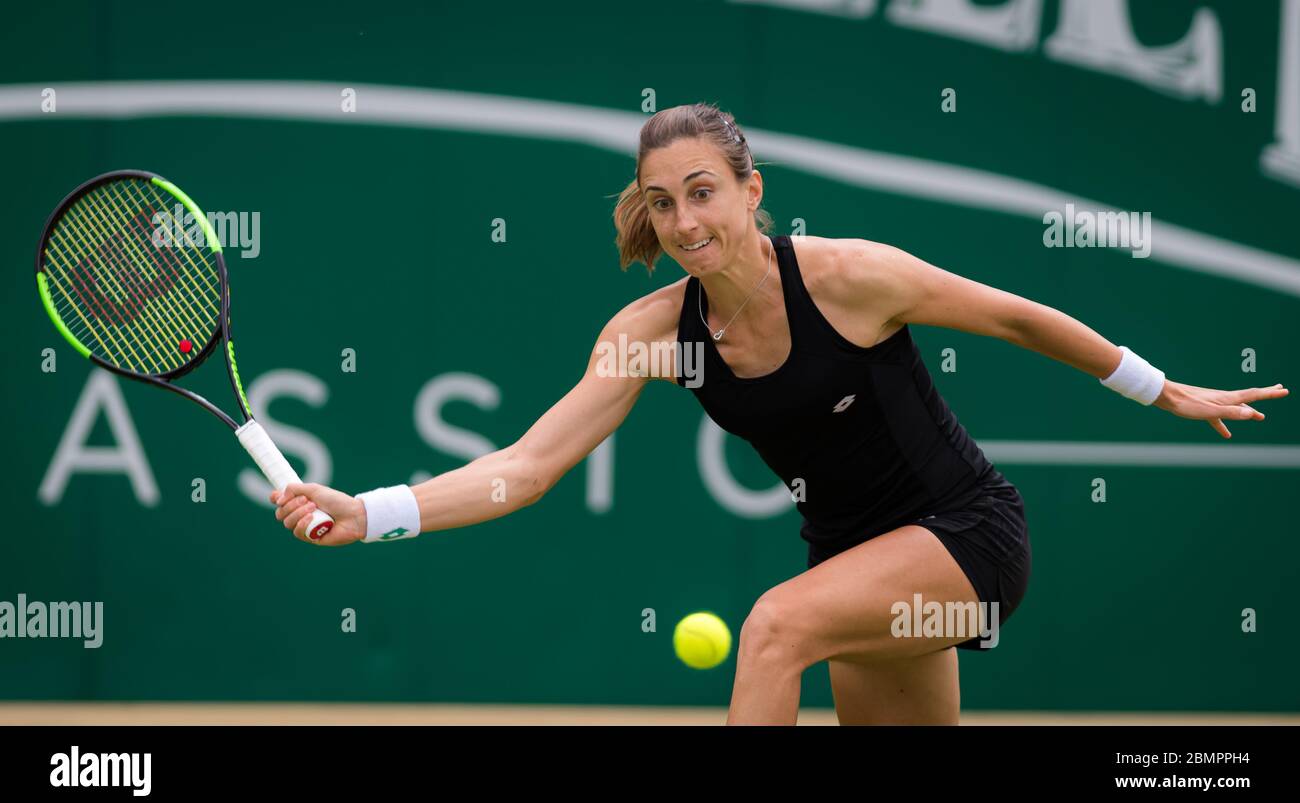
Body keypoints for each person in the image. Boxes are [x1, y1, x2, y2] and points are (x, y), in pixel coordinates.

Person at [271, 102, 1289, 725]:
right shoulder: (653, 328)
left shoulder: (852, 277)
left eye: (703, 192)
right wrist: (370, 511)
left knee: (769, 631)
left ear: (752, 192)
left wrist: (1162, 388)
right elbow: (528, 466)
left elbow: (1017, 318)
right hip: (857, 569)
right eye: (661, 203)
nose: (683, 221)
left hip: (965, 537)